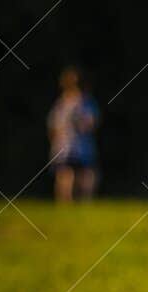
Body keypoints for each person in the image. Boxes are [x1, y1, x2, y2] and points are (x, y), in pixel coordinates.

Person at [48, 67, 100, 203]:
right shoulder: (62, 104)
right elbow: (53, 127)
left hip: (83, 147)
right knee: (66, 176)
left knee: (86, 176)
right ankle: (65, 205)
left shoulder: (86, 103)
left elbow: (91, 124)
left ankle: (84, 204)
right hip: (65, 147)